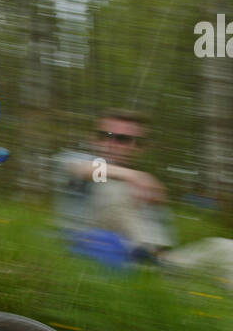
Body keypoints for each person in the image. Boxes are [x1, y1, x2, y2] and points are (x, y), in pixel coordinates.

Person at [56, 112, 233, 291]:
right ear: (94, 139)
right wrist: (134, 176)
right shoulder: (75, 160)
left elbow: (162, 246)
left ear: (138, 147)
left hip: (154, 266)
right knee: (113, 187)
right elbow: (84, 169)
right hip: (91, 252)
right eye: (104, 136)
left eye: (122, 139)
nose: (111, 143)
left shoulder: (145, 191)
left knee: (225, 248)